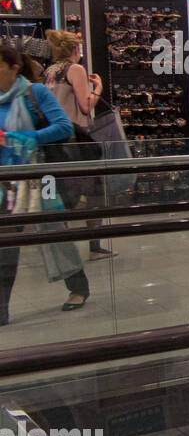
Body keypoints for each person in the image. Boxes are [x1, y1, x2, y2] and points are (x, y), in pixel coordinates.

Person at [0, 43, 91, 321]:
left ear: (14, 67)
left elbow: (63, 126)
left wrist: (25, 138)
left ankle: (78, 286)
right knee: (6, 244)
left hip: (38, 176)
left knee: (54, 234)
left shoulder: (34, 92)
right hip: (5, 181)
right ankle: (1, 309)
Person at [42, 29, 113, 261]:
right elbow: (85, 105)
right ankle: (95, 245)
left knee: (61, 192)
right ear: (75, 49)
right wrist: (99, 88)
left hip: (54, 140)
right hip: (78, 138)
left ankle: (60, 247)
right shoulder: (76, 69)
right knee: (94, 191)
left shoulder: (50, 72)